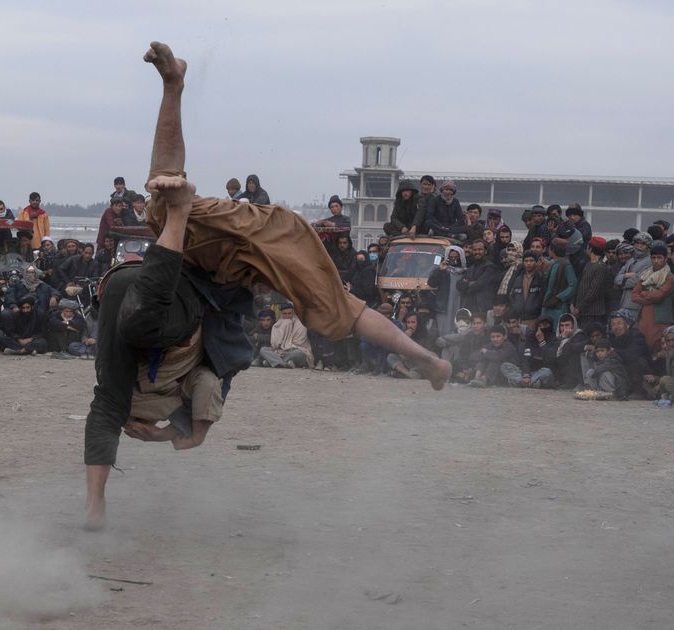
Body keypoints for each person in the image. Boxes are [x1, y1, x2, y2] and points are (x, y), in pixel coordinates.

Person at [82, 42, 450, 529]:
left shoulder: (147, 380)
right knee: (164, 194)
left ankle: (174, 96)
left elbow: (189, 392)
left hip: (208, 259)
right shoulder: (148, 381)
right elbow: (174, 401)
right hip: (208, 255)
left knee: (167, 208)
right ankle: (173, 90)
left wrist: (175, 433)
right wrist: (173, 435)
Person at [632, 242, 674, 351]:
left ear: (666, 259)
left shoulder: (669, 277)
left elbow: (659, 296)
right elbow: (634, 296)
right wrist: (651, 297)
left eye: (659, 258)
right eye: (653, 258)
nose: (656, 261)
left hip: (660, 319)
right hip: (644, 316)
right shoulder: (646, 274)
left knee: (659, 346)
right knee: (643, 345)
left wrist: (644, 294)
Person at [259, 302, 313, 368]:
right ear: (281, 314)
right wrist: (279, 350)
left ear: (293, 313)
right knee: (263, 350)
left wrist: (284, 350)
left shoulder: (300, 325)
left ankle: (273, 362)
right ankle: (285, 364)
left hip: (296, 351)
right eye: (284, 314)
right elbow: (274, 344)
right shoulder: (278, 324)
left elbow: (299, 343)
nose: (287, 316)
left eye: (289, 313)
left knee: (298, 354)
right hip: (279, 352)